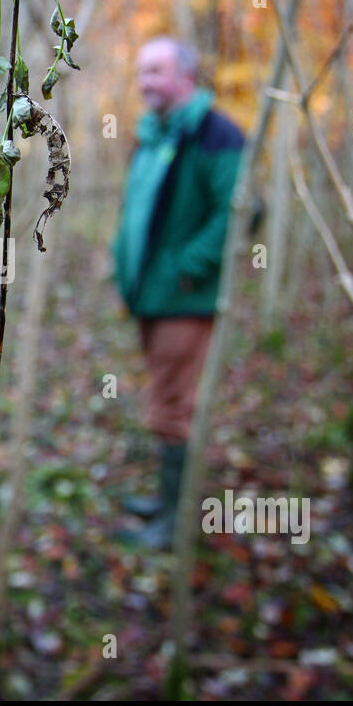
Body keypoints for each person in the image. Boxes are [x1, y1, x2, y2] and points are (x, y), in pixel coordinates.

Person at [111, 37, 245, 549]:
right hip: (152, 294)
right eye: (142, 72)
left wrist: (190, 266)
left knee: (172, 405)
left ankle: (177, 520)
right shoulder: (154, 134)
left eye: (156, 71)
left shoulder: (216, 134)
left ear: (186, 75)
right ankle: (167, 504)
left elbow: (239, 209)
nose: (145, 82)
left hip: (185, 297)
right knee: (165, 398)